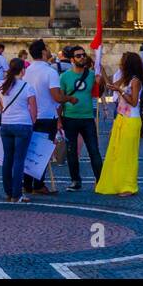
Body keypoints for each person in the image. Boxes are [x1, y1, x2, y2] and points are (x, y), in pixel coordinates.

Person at [96, 51, 143, 197]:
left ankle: (129, 186)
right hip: (122, 119)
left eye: (123, 61)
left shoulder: (135, 81)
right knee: (117, 153)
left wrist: (121, 91)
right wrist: (101, 69)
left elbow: (134, 102)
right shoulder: (125, 78)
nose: (120, 63)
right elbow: (111, 86)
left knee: (128, 154)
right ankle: (117, 183)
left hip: (131, 120)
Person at [22, 39, 63, 193]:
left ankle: (27, 184)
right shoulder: (50, 72)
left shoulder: (27, 71)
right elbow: (56, 97)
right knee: (42, 152)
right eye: (47, 47)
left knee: (30, 150)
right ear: (44, 52)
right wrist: (68, 98)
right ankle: (38, 184)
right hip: (47, 116)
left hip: (30, 116)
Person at [58, 48, 102, 190]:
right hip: (69, 118)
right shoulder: (64, 77)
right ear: (72, 60)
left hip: (88, 118)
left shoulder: (91, 75)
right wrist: (59, 120)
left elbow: (99, 93)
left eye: (84, 55)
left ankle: (100, 181)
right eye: (78, 56)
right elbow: (60, 99)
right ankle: (75, 181)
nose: (82, 57)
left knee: (94, 150)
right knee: (71, 151)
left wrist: (100, 82)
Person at [0, 58, 37, 203]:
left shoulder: (1, 86)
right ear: (22, 70)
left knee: (7, 159)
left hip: (6, 125)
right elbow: (33, 109)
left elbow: (2, 106)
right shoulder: (27, 87)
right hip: (23, 124)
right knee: (19, 160)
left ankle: (8, 192)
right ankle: (17, 194)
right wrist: (33, 123)